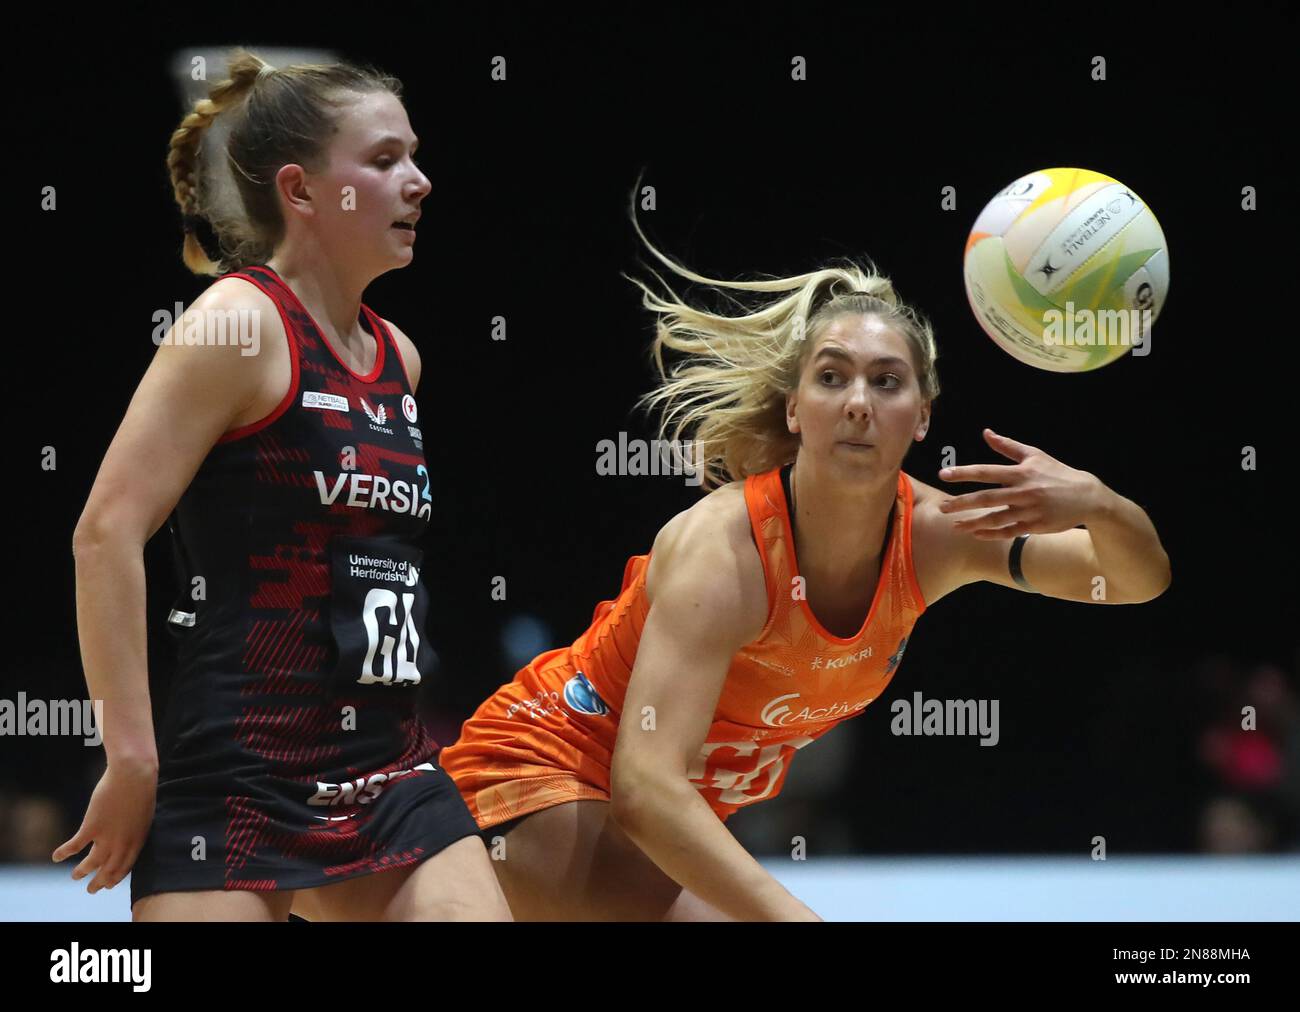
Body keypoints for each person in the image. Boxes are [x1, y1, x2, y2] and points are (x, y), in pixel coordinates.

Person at [437, 203, 1173, 921]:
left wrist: (1099, 503)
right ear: (795, 409)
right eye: (832, 377)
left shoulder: (942, 535)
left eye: (887, 381)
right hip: (535, 776)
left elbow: (1138, 582)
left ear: (922, 415)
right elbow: (647, 788)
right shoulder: (726, 551)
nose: (859, 402)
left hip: (636, 824)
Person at [56, 49, 511, 922]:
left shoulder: (398, 357)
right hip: (237, 773)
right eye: (383, 161)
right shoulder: (237, 324)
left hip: (389, 772)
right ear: (301, 192)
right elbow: (104, 533)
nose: (418, 182)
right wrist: (130, 756)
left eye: (414, 156)